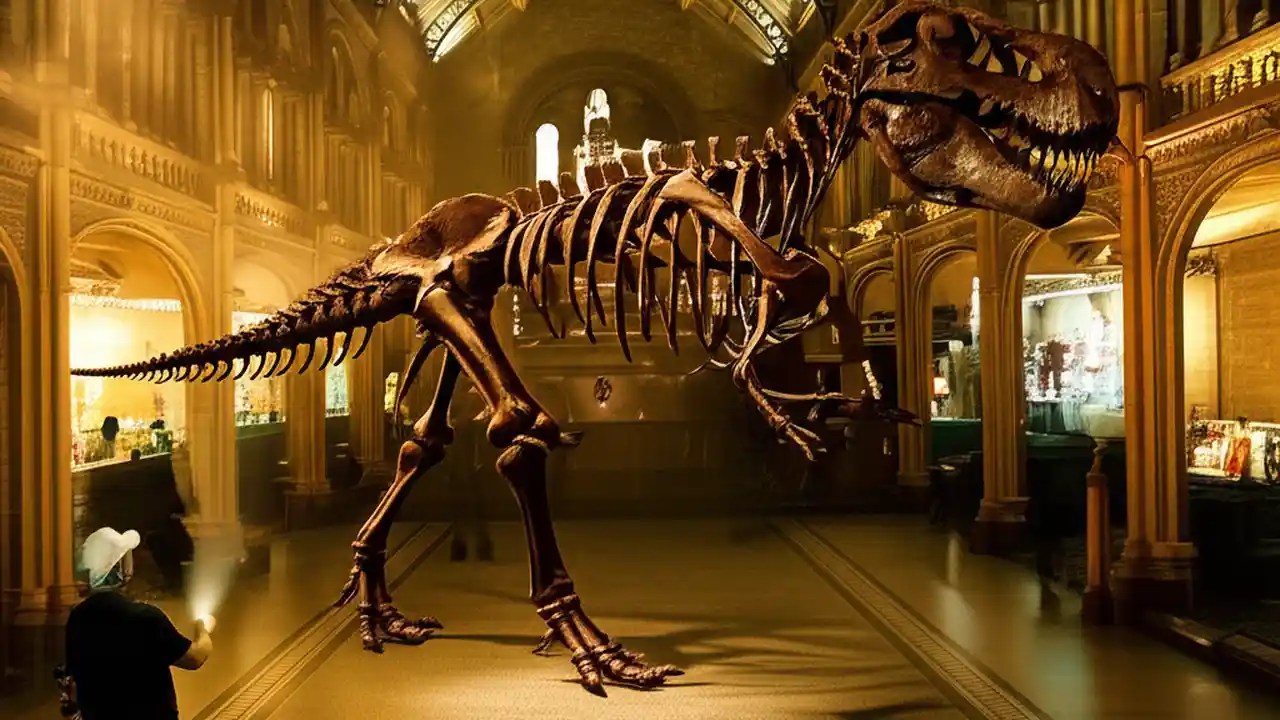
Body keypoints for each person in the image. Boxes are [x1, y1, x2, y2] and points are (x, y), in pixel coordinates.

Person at [62, 527, 215, 719]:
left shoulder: (78, 618)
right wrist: (203, 629)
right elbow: (194, 658)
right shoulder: (146, 617)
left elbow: (72, 678)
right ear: (122, 568)